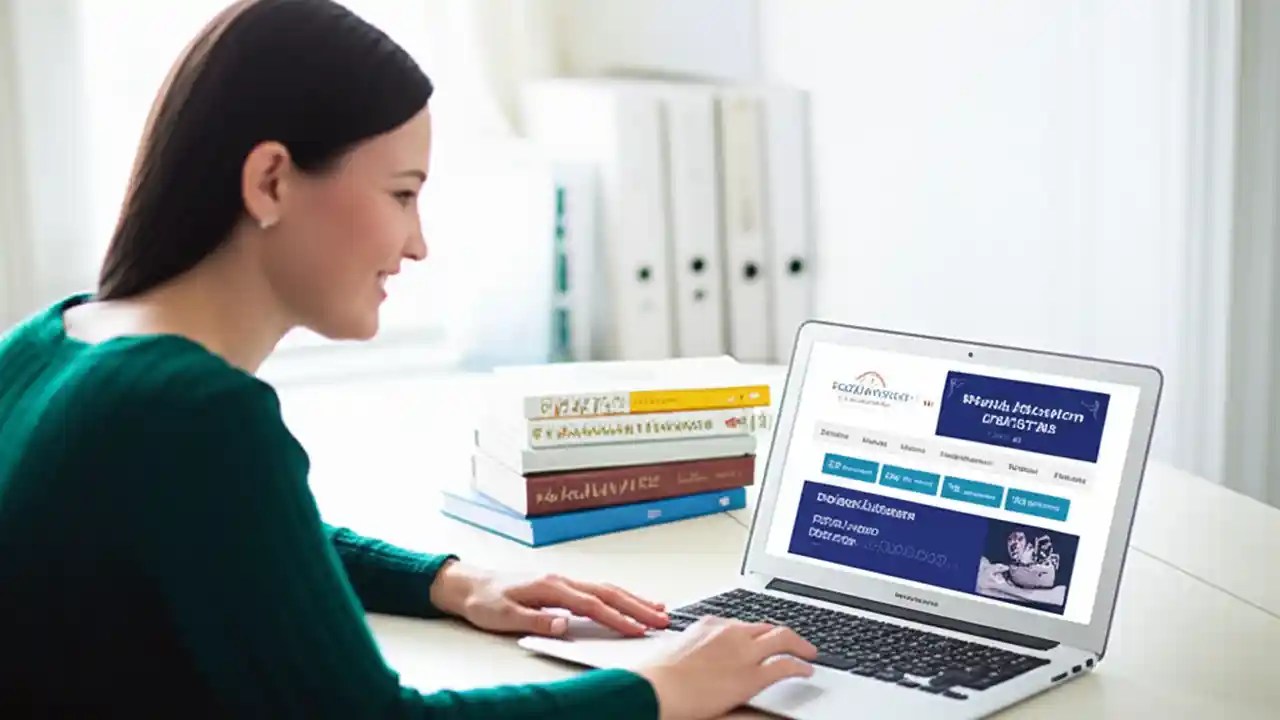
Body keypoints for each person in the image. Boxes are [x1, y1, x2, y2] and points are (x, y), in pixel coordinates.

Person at [0, 1, 817, 717]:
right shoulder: (195, 412)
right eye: (402, 193)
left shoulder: (52, 342)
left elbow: (233, 536)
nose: (417, 244)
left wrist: (451, 582)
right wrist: (662, 686)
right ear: (272, 181)